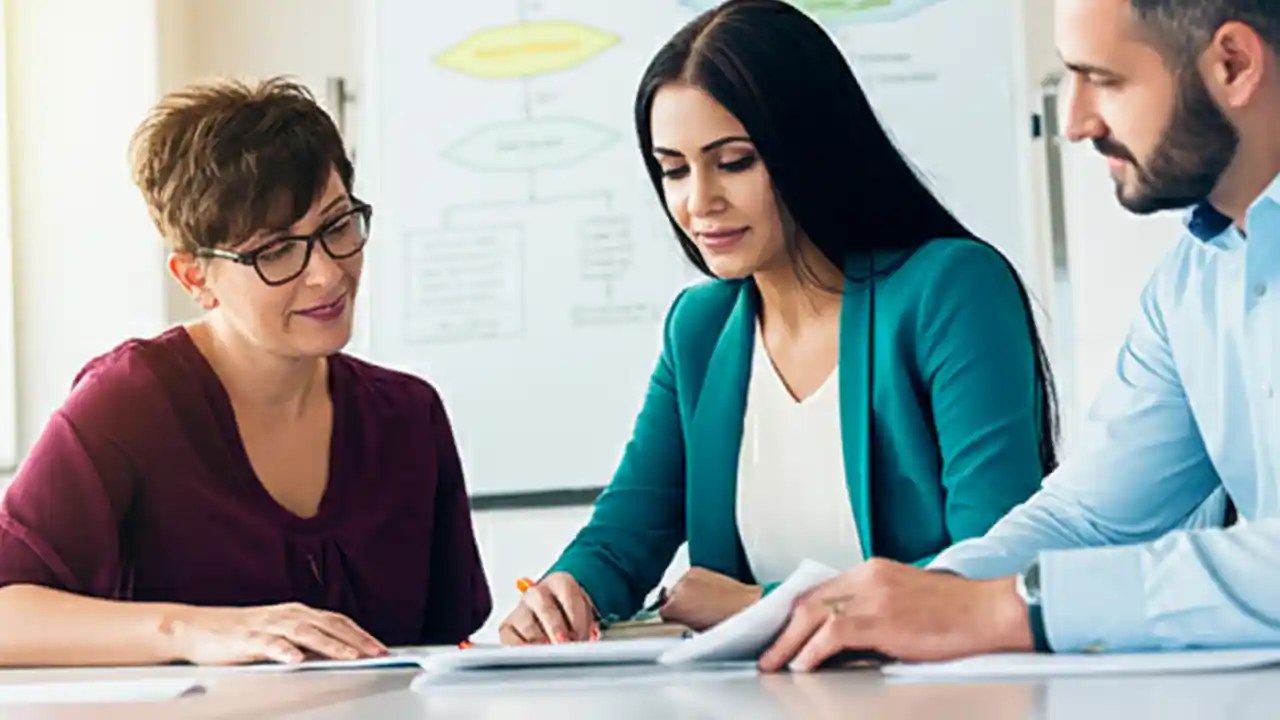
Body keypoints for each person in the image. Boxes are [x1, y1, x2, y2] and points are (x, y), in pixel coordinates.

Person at [499, 0, 1058, 645]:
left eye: (733, 162)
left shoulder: (950, 290)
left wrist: (760, 605)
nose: (698, 201)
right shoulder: (698, 328)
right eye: (673, 170)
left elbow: (996, 564)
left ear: (808, 148)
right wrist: (563, 594)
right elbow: (626, 533)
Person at [759, 0, 1280, 673]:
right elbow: (1089, 519)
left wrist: (1016, 608)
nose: (1073, 121)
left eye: (1106, 80)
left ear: (1232, 64)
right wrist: (927, 598)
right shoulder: (1197, 276)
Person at [0, 78, 491, 667]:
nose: (327, 275)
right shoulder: (128, 405)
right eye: (276, 251)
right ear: (194, 278)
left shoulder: (409, 416)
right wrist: (191, 632)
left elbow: (445, 654)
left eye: (337, 226)